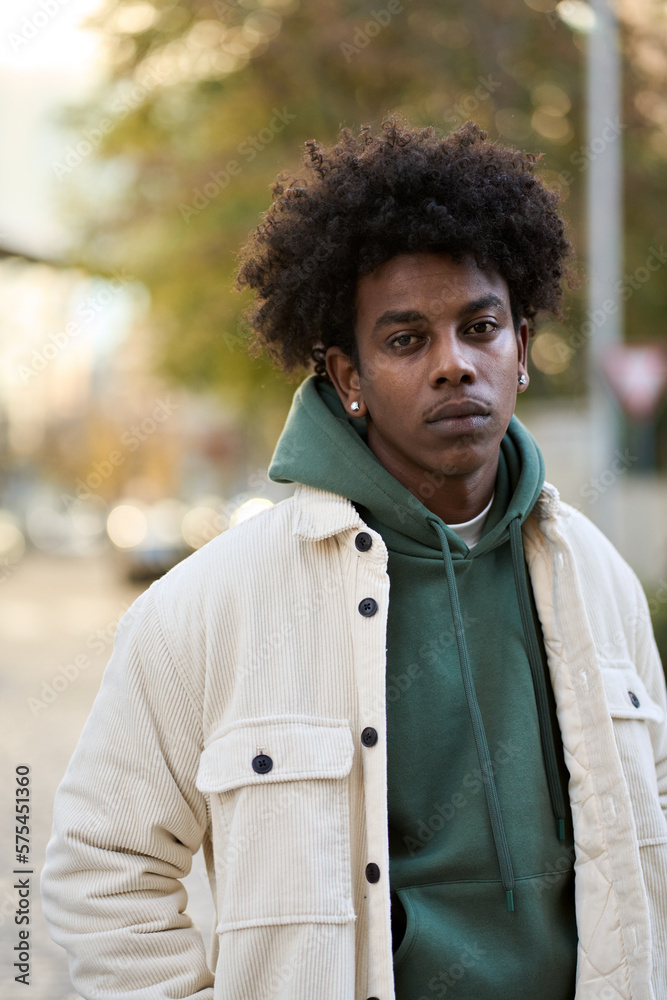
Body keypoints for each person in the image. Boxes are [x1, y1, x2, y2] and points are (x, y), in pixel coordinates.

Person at [42, 118, 667, 1000]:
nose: (454, 365)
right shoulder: (209, 607)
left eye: (479, 327)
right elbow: (100, 870)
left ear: (520, 349)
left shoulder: (598, 581)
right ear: (347, 376)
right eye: (406, 340)